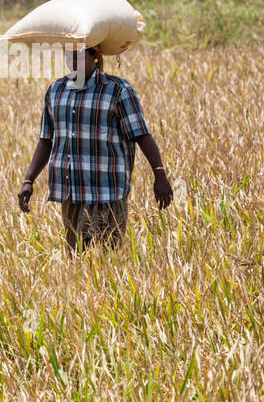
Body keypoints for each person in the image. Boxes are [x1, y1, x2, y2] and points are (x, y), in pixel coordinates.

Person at [18, 45, 172, 252]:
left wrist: (159, 175)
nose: (73, 62)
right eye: (68, 57)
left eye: (78, 57)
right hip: (70, 191)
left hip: (106, 191)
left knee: (107, 258)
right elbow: (46, 139)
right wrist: (29, 179)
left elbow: (141, 135)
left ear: (95, 57)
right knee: (76, 258)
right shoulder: (56, 90)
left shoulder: (117, 90)